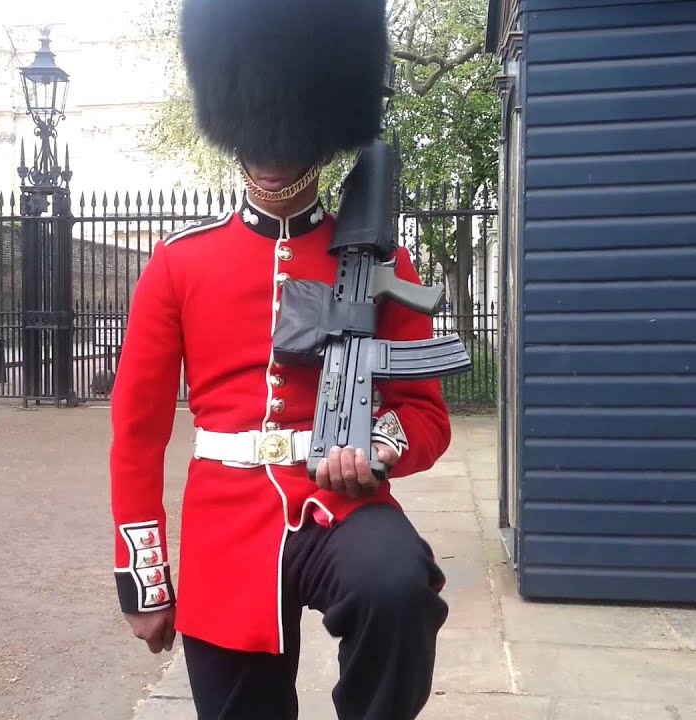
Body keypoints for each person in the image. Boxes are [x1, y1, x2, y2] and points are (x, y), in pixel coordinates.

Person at [108, 1, 451, 718]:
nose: (272, 151)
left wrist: (375, 451)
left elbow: (423, 414)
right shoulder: (179, 262)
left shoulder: (381, 260)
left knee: (397, 588)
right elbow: (137, 434)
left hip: (342, 505)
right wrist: (145, 578)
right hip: (224, 518)